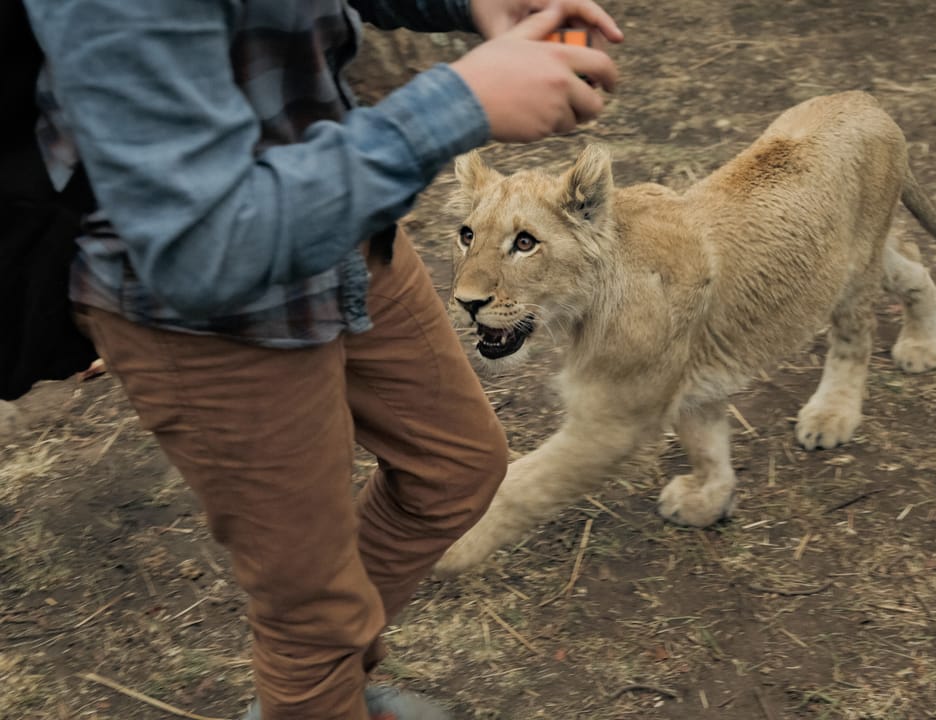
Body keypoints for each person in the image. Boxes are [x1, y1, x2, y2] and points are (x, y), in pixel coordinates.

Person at [20, 1, 622, 718]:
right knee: (311, 607)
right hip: (210, 314)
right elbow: (196, 245)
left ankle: (321, 685)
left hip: (338, 221)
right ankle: (317, 689)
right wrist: (459, 104)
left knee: (455, 468)